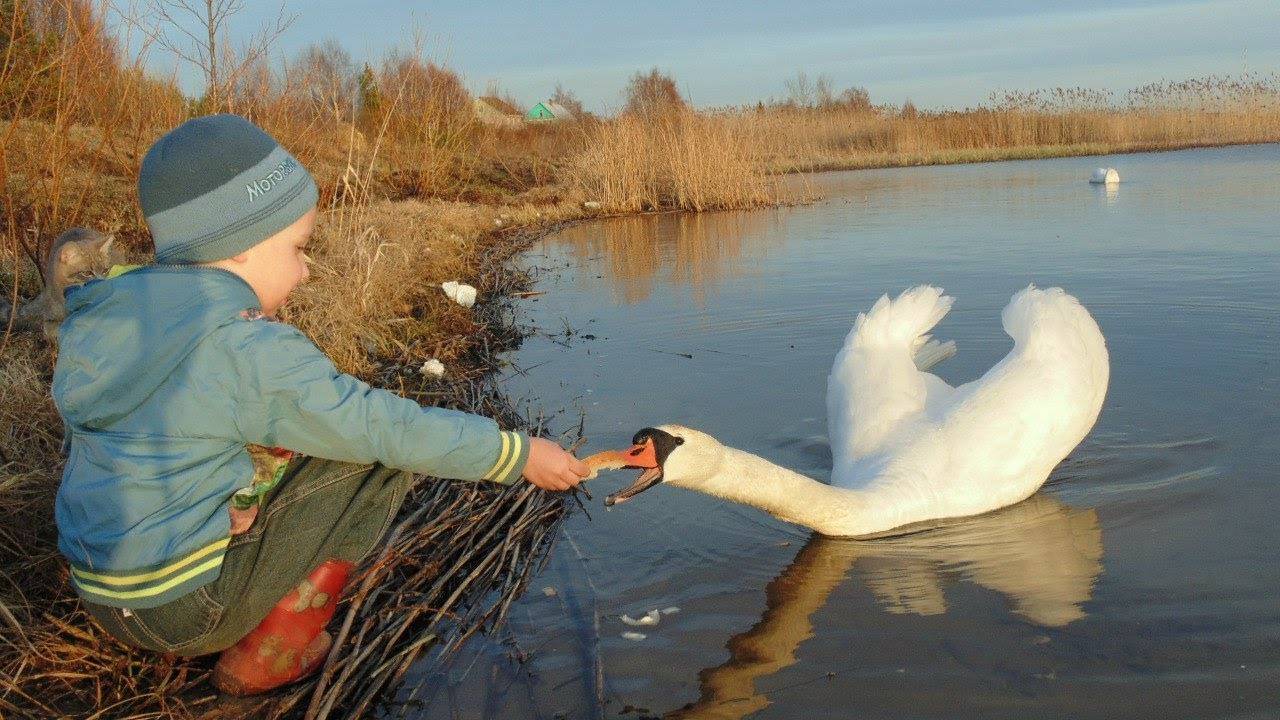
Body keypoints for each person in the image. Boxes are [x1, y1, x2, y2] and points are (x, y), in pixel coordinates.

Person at [51, 114, 589, 695]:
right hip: (185, 608)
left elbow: (142, 440)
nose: (307, 271)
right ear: (239, 249)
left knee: (290, 434)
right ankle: (275, 647)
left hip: (101, 589)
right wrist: (514, 452)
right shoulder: (242, 345)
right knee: (372, 454)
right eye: (298, 249)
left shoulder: (111, 315)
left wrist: (213, 506)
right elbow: (384, 428)